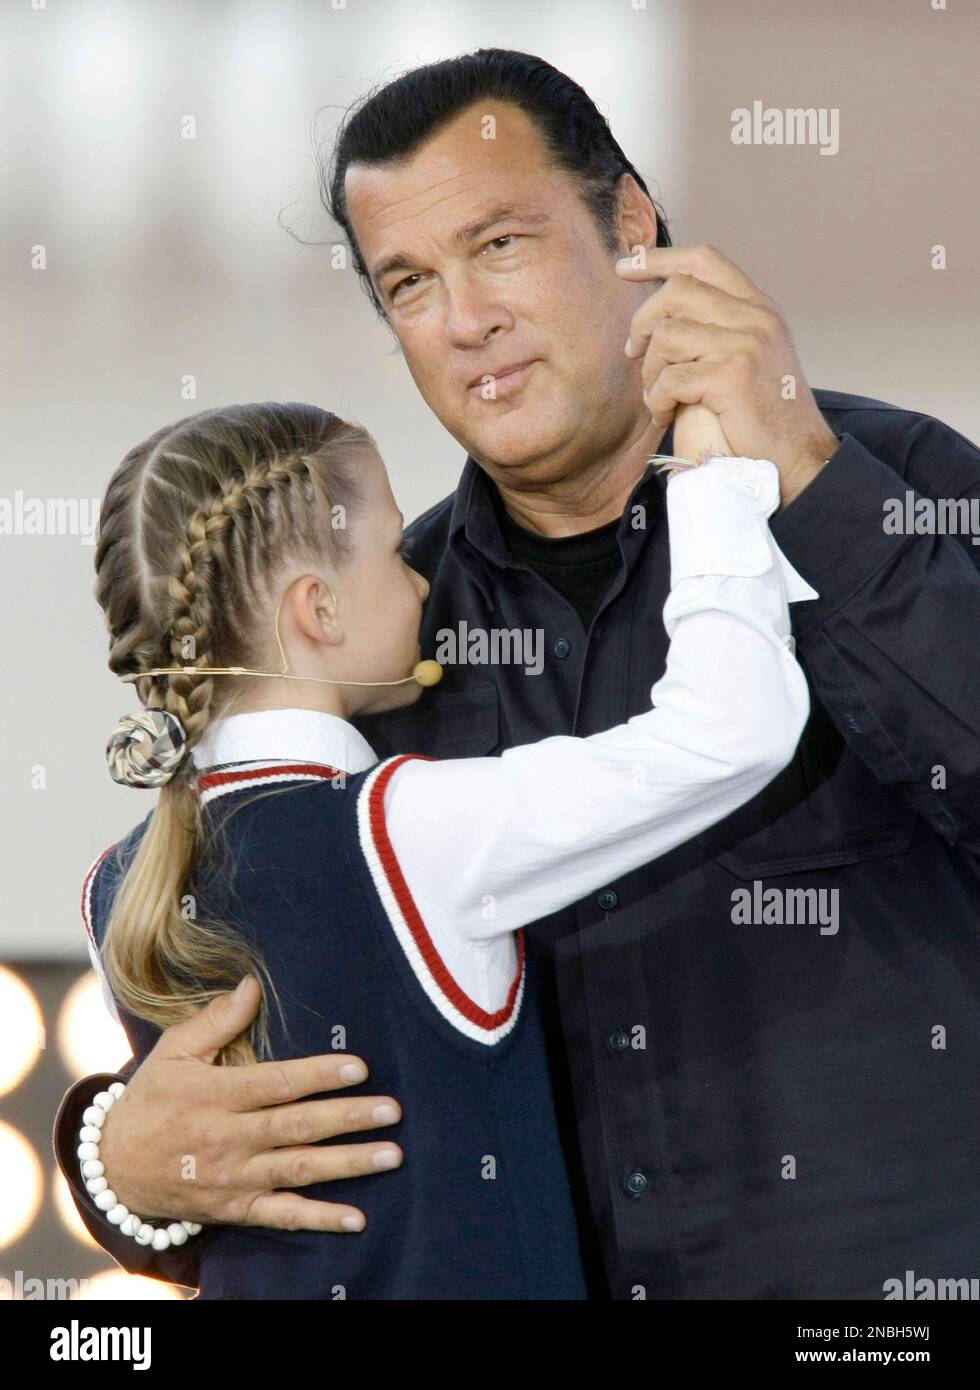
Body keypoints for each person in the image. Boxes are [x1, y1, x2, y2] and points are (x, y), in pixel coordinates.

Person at [56, 50, 980, 1301]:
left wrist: (804, 479)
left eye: (499, 245)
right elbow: (246, 1027)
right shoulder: (369, 656)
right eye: (409, 282)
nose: (462, 319)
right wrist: (122, 1161)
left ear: (631, 225)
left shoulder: (892, 482)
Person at [76, 399, 808, 1299]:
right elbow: (733, 730)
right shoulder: (402, 828)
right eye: (395, 554)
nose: (425, 584)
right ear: (319, 610)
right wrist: (711, 479)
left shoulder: (112, 887)